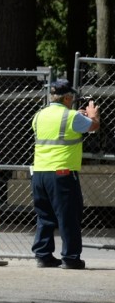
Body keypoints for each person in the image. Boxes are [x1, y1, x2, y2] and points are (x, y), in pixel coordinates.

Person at [31, 78, 100, 269]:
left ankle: (43, 255)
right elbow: (93, 126)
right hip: (62, 173)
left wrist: (77, 116)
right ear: (67, 98)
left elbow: (59, 127)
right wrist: (93, 116)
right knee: (68, 215)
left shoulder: (39, 115)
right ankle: (70, 258)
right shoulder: (71, 117)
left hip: (39, 173)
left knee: (45, 215)